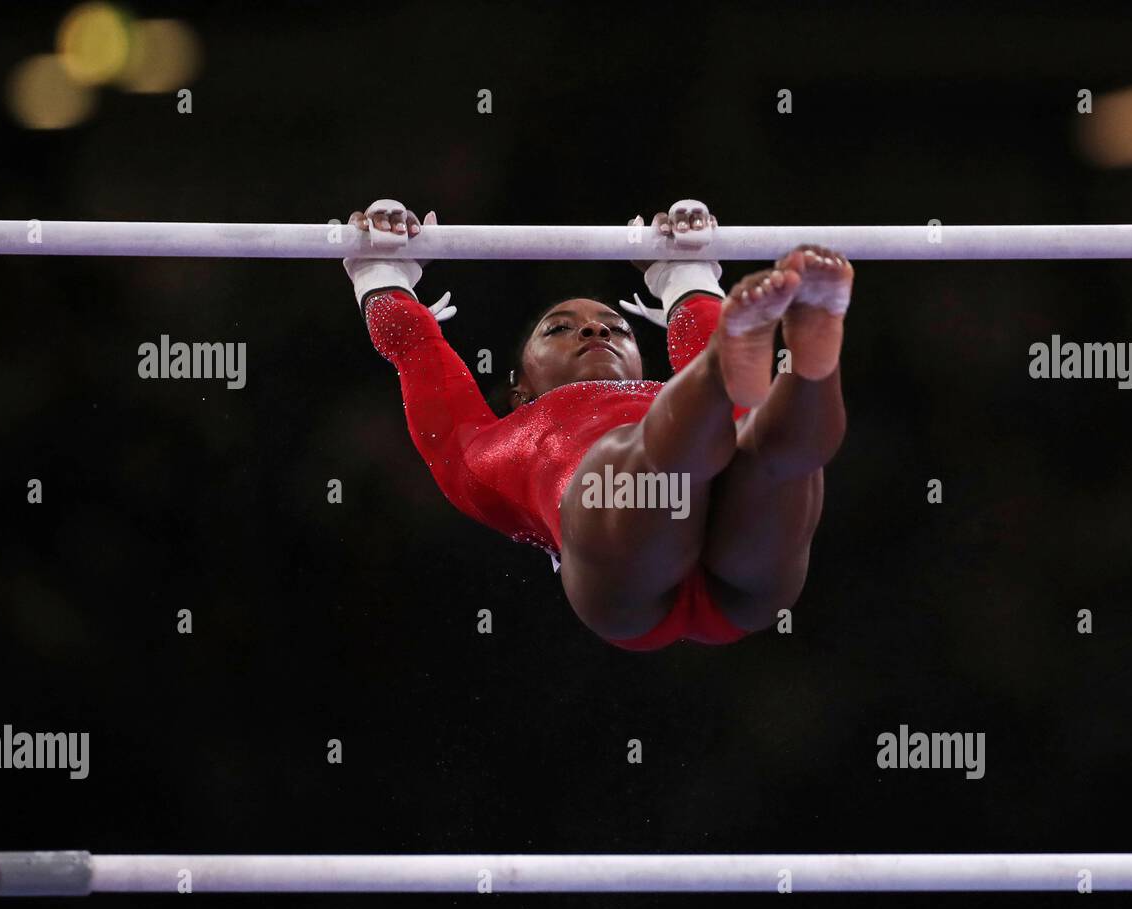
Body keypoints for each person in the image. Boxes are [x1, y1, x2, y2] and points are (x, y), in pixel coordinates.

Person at [343, 198, 850, 651]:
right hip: (626, 573)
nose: (592, 328)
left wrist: (680, 274)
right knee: (649, 449)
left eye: (618, 328)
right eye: (559, 328)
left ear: (639, 362)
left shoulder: (665, 400)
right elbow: (417, 351)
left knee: (773, 454)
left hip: (731, 531)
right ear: (520, 390)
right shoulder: (491, 440)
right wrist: (380, 270)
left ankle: (815, 355)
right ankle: (742, 362)